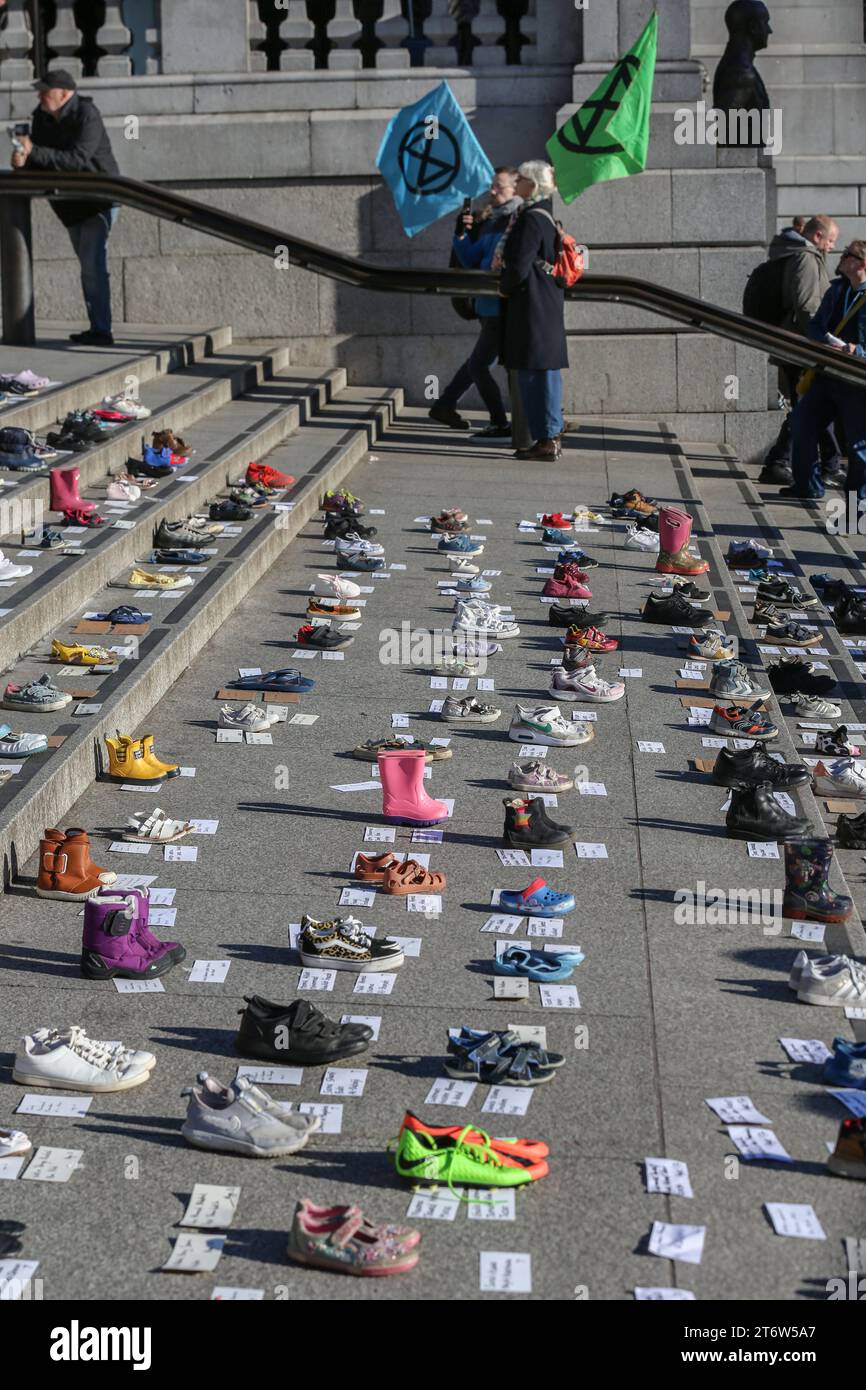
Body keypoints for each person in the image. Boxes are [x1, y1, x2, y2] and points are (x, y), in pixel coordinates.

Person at [11, 70, 121, 346]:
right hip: (69, 205)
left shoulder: (87, 114)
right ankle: (98, 327)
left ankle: (101, 330)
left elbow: (77, 159)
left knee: (92, 265)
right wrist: (22, 160)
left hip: (98, 200)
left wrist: (33, 150)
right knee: (88, 264)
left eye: (45, 91)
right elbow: (41, 161)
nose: (39, 96)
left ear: (64, 93)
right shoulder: (42, 116)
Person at [429, 167, 522, 437]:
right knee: (482, 362)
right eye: (492, 186)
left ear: (515, 190)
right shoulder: (492, 220)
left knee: (480, 364)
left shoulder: (518, 221)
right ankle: (446, 404)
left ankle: (499, 420)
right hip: (486, 306)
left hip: (502, 308)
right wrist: (461, 234)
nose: (492, 191)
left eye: (499, 187)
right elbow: (472, 258)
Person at [761, 214, 843, 486]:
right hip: (801, 346)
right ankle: (780, 460)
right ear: (817, 236)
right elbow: (807, 305)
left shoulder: (794, 254)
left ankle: (797, 461)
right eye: (830, 241)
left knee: (810, 405)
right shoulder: (806, 258)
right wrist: (823, 340)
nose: (831, 247)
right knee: (810, 406)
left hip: (794, 343)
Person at [784, 240, 866, 502]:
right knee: (802, 421)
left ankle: (857, 509)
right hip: (828, 375)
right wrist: (823, 339)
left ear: (862, 264)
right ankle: (808, 485)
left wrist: (859, 351)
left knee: (858, 447)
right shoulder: (837, 290)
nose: (840, 258)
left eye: (847, 255)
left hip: (857, 382)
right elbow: (816, 325)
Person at [497, 160, 567, 461]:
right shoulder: (546, 215)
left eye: (522, 179)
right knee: (545, 372)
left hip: (531, 305)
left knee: (533, 373)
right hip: (546, 303)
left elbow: (520, 264)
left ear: (533, 185)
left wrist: (505, 287)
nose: (517, 183)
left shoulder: (530, 219)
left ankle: (546, 439)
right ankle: (550, 436)